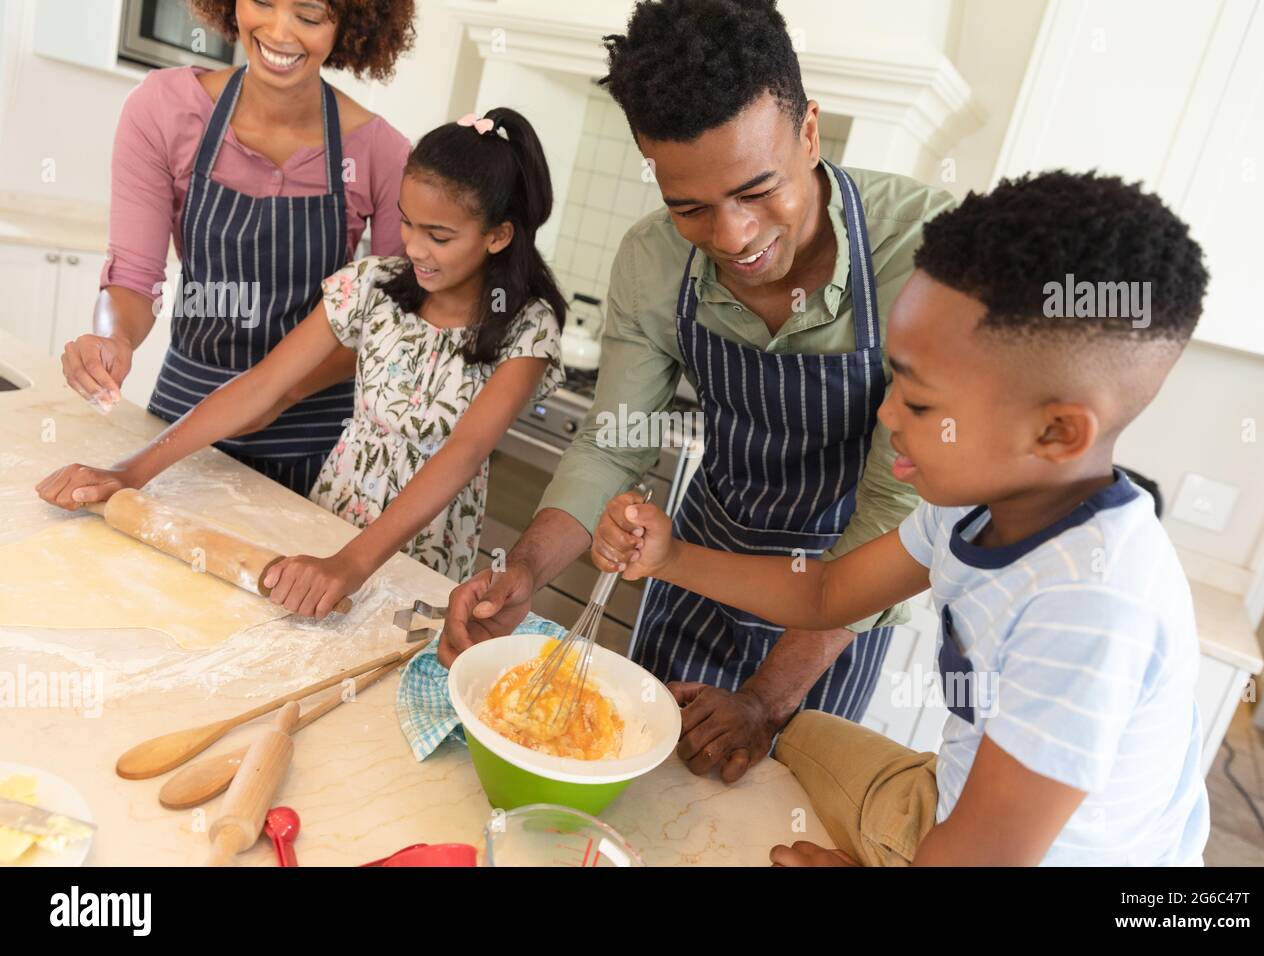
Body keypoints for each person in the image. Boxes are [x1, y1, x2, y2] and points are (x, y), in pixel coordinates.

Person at [595, 170, 1212, 866]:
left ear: (1057, 433)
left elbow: (989, 853)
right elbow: (826, 593)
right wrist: (673, 558)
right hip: (949, 802)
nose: (886, 417)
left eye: (917, 404)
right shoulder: (976, 506)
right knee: (749, 764)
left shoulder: (1087, 603)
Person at [440, 0, 953, 784]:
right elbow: (613, 445)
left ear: (809, 131)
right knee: (641, 784)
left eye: (758, 190)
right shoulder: (651, 263)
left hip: (839, 605)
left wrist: (766, 699)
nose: (734, 236)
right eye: (690, 207)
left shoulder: (925, 255)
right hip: (692, 568)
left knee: (765, 818)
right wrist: (525, 573)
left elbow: (894, 512)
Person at [37, 108, 566, 613]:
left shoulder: (527, 328)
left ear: (498, 235)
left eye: (439, 236)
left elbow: (463, 453)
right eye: (408, 224)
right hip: (327, 520)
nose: (415, 248)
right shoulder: (372, 286)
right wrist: (130, 472)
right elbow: (262, 386)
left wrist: (352, 563)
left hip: (421, 553)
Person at [62, 0, 415, 495]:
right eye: (263, 2)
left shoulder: (383, 155)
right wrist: (113, 339)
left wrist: (275, 393)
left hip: (315, 445)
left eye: (308, 17)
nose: (279, 31)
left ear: (353, 24)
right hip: (178, 430)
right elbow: (133, 279)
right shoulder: (163, 109)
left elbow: (393, 329)